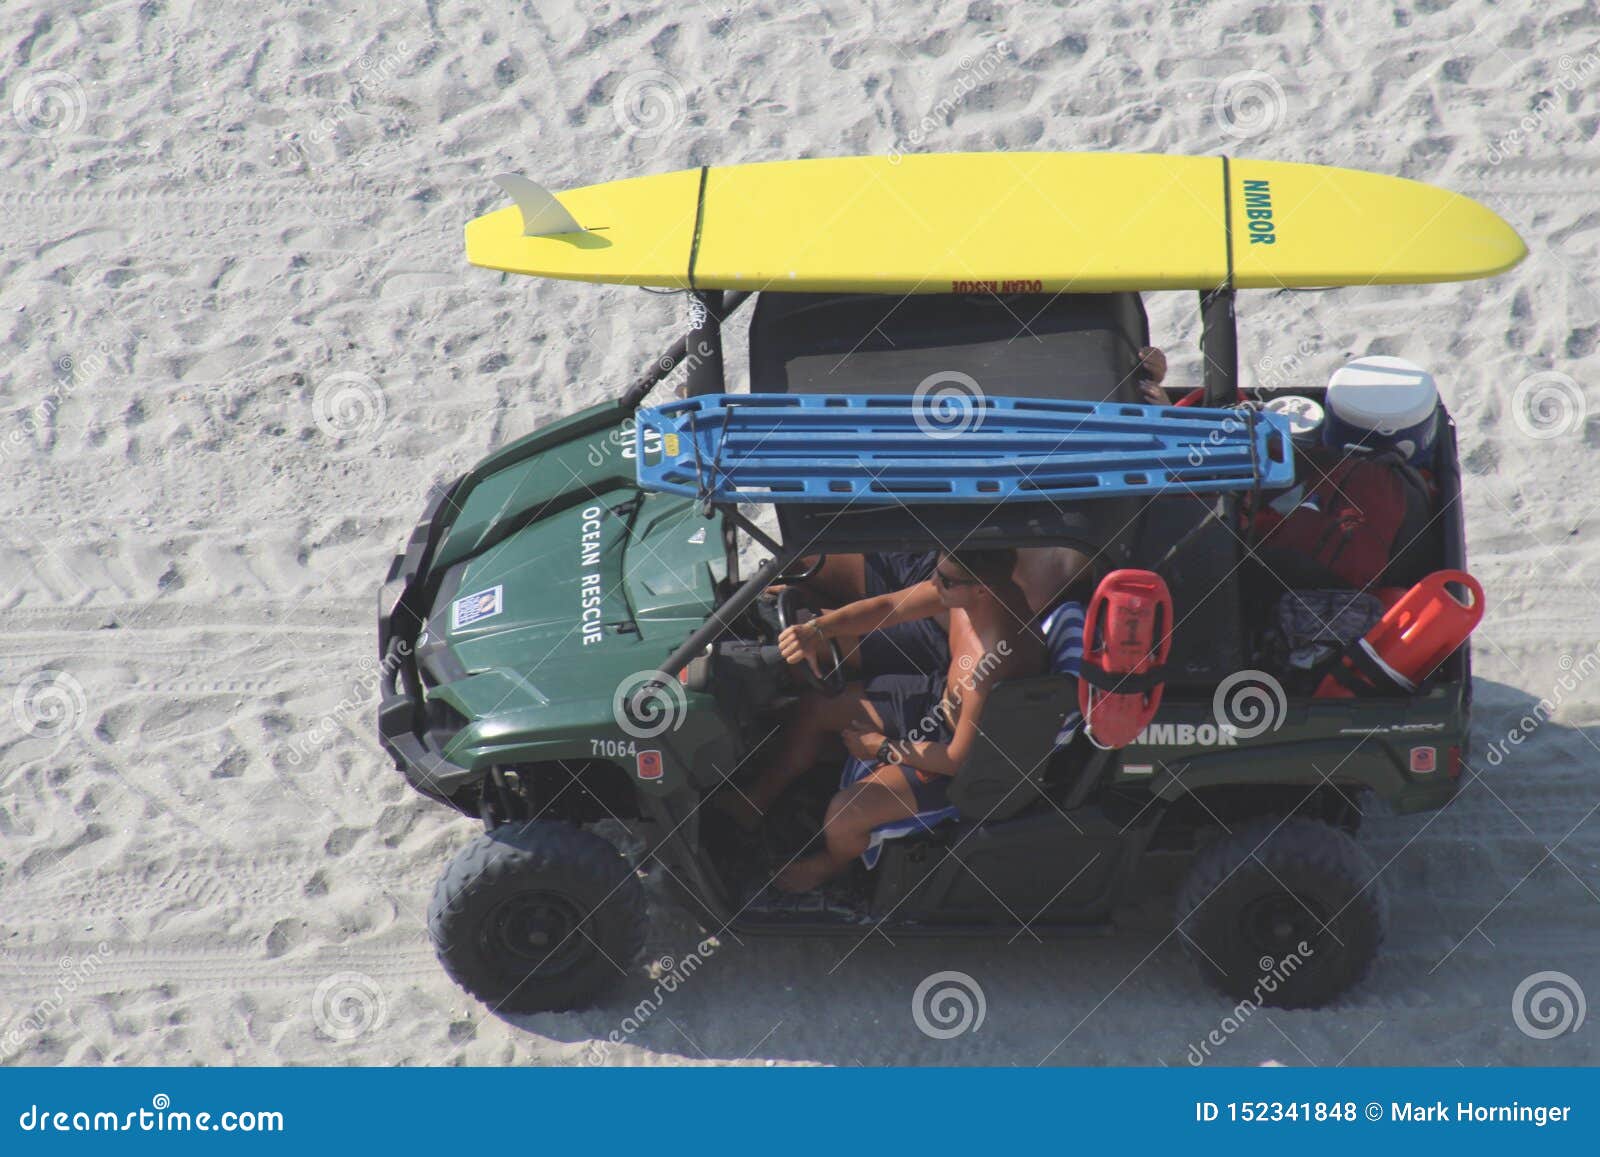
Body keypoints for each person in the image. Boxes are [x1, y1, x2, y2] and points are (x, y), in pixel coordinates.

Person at [724, 548, 1047, 893]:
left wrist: (883, 749)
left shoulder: (993, 663)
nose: (934, 582)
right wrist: (817, 630)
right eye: (937, 571)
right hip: (940, 699)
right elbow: (889, 608)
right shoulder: (966, 595)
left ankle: (832, 864)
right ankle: (752, 802)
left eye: (946, 580)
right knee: (816, 707)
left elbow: (958, 760)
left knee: (843, 816)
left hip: (958, 759)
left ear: (982, 588)